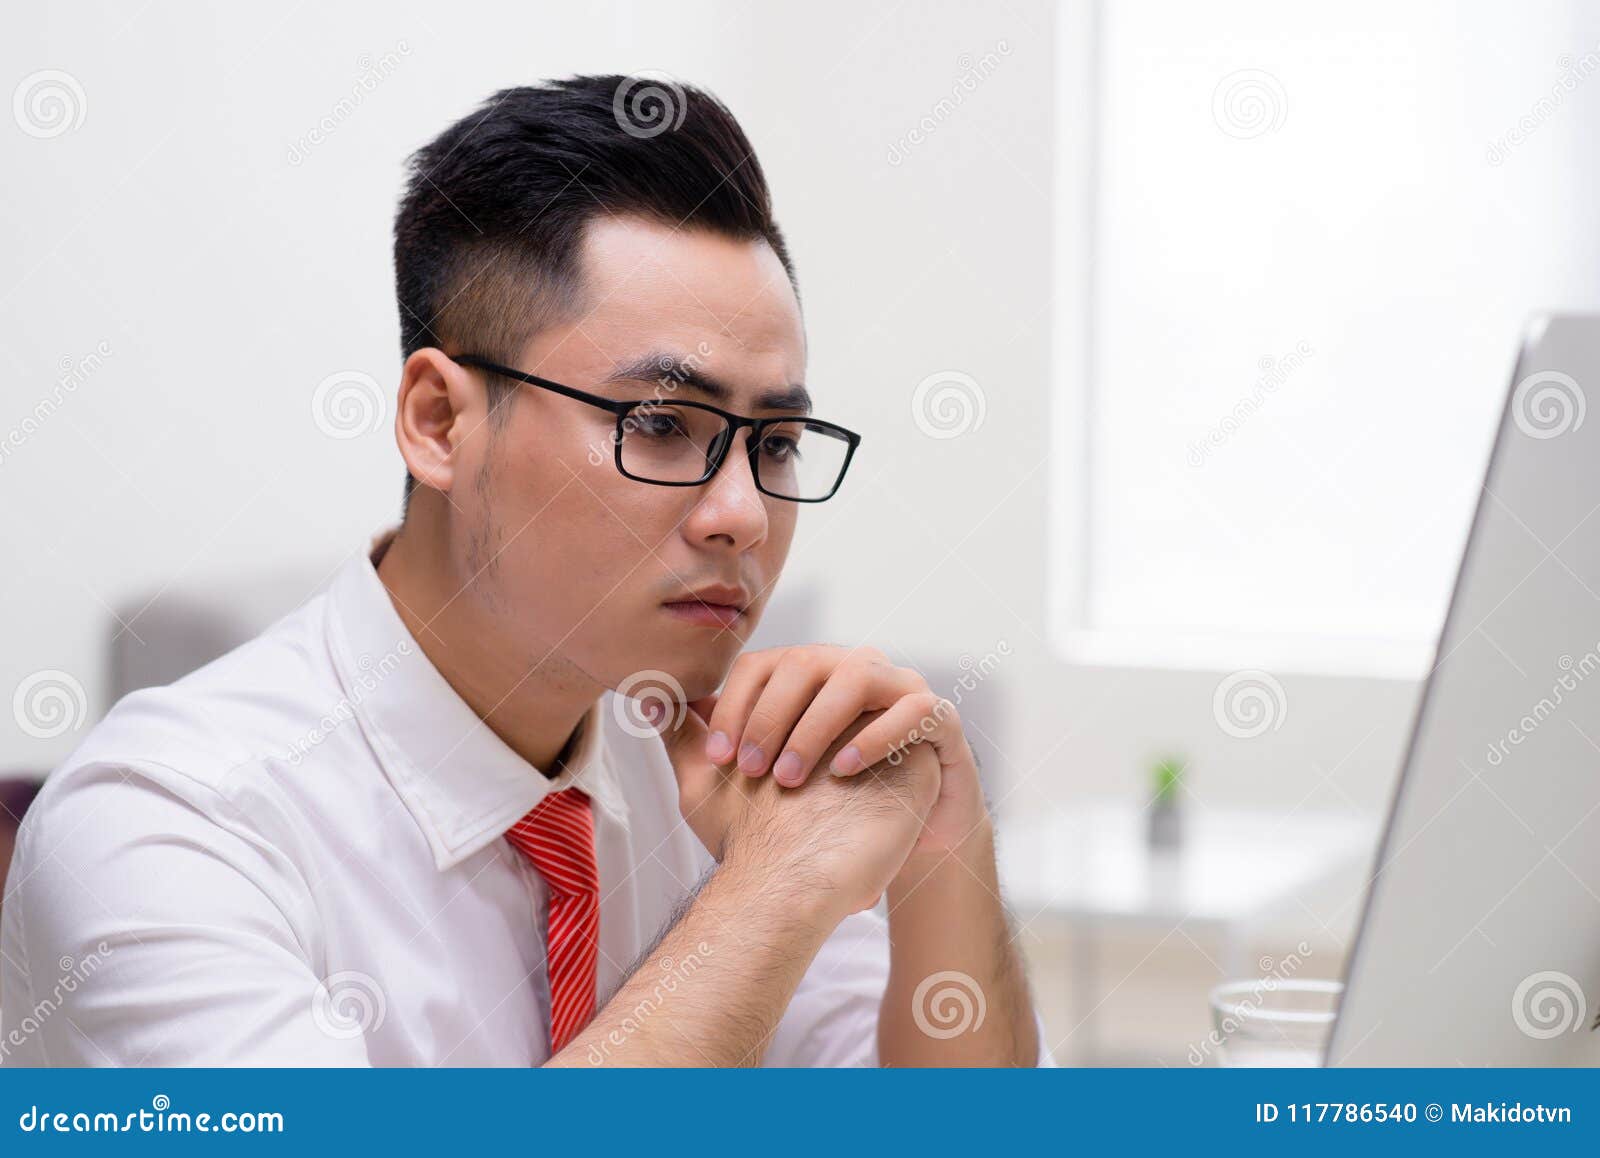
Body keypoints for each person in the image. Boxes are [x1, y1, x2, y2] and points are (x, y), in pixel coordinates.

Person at [0, 75, 1047, 1066]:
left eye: (774, 445)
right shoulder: (168, 820)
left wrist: (943, 843)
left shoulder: (713, 776)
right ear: (439, 421)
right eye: (661, 425)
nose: (742, 517)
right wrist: (774, 889)